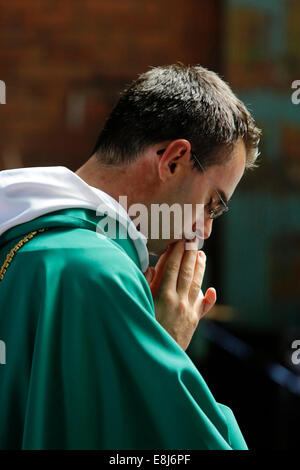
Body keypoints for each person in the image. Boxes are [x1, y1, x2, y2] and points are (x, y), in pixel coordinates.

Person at [0, 64, 261, 450]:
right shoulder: (100, 274)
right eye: (213, 205)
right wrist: (162, 350)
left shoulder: (16, 228)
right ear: (173, 160)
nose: (204, 230)